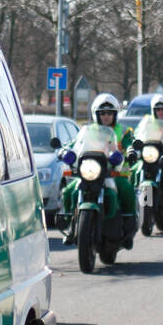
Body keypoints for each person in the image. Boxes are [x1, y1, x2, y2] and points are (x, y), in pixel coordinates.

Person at [59, 93, 137, 247]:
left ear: (115, 114)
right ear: (96, 114)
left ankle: (128, 230)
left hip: (114, 173)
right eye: (102, 113)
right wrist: (65, 151)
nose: (106, 116)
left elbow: (130, 144)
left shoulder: (124, 130)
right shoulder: (87, 130)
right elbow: (76, 144)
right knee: (68, 191)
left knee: (127, 189)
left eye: (109, 113)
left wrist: (131, 152)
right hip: (89, 172)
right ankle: (70, 225)